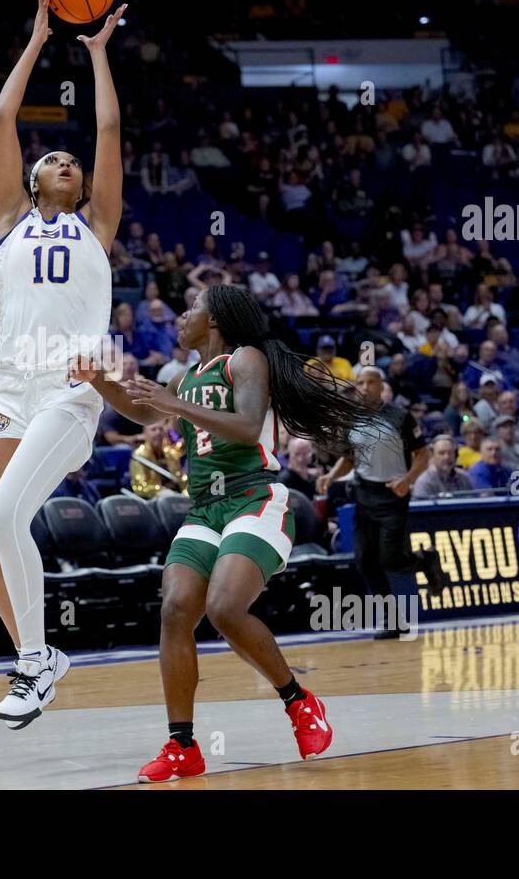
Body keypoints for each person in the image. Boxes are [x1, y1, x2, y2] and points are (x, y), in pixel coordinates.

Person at [76, 284, 374, 781]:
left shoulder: (246, 360)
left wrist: (175, 403)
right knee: (175, 609)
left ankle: (299, 701)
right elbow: (150, 412)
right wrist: (99, 382)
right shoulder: (186, 374)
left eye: (192, 307)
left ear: (214, 321)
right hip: (204, 507)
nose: (182, 315)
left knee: (224, 607)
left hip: (255, 498)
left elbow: (246, 422)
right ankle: (181, 746)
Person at [0, 0, 125, 731]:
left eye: (72, 159)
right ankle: (41, 658)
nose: (66, 160)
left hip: (71, 387)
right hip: (10, 386)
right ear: (31, 182)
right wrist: (37, 38)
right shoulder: (11, 220)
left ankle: (34, 664)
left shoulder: (98, 223)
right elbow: (4, 117)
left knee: (9, 511)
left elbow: (108, 128)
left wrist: (96, 53)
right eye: (53, 158)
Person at [317, 366, 436, 639]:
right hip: (363, 494)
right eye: (361, 382)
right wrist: (331, 476)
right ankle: (393, 621)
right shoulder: (352, 419)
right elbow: (350, 458)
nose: (366, 386)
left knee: (389, 558)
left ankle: (425, 560)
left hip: (393, 493)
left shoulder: (400, 416)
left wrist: (408, 480)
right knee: (365, 561)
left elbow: (423, 455)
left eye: (371, 382)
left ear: (381, 387)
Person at [130, 421, 186, 498]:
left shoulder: (170, 453)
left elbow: (181, 480)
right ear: (145, 434)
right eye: (153, 429)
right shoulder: (139, 455)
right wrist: (161, 492)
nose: (158, 433)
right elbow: (140, 487)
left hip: (177, 496)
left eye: (161, 429)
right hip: (154, 500)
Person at [411, 435, 477, 498]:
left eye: (450, 452)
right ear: (432, 455)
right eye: (441, 453)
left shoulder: (465, 478)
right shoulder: (424, 482)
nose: (446, 457)